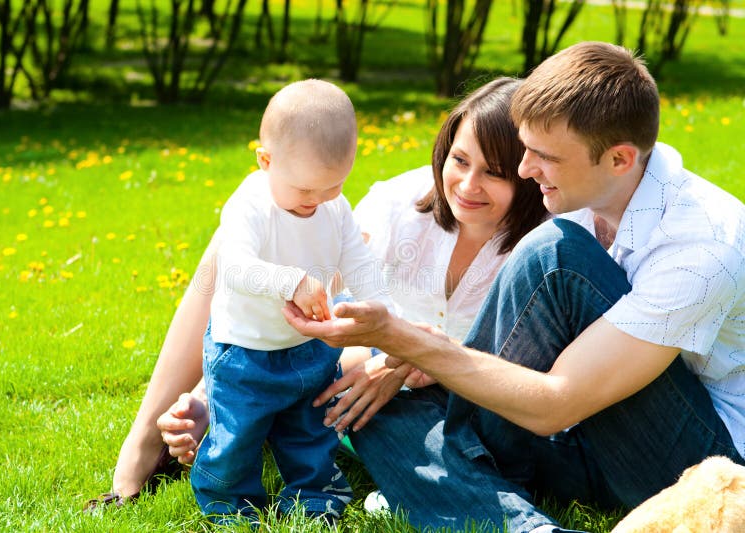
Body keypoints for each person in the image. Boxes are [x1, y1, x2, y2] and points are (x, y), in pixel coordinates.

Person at [284, 41, 745, 533]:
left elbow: (557, 402)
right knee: (375, 401)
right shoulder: (584, 191)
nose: (526, 170)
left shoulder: (703, 244)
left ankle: (451, 478)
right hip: (586, 432)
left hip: (698, 460)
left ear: (619, 159)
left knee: (552, 253)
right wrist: (412, 361)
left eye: (544, 157)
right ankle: (522, 521)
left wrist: (408, 342)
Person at [85, 77, 548, 514]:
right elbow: (333, 276)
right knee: (246, 238)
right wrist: (212, 391)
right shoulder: (400, 205)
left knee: (365, 405)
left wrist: (409, 358)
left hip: (429, 402)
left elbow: (520, 371)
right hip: (326, 369)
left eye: (495, 173)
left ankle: (278, 445)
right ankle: (173, 429)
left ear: (527, 175)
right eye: (460, 160)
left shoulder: (540, 250)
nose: (467, 185)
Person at [189, 78, 402, 523]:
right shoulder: (249, 204)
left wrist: (382, 308)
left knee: (310, 430)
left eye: (333, 187)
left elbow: (358, 262)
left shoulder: (332, 205)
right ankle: (230, 501)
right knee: (238, 435)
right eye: (307, 190)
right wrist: (292, 281)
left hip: (309, 348)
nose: (319, 201)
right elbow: (233, 267)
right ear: (266, 161)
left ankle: (314, 494)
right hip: (245, 350)